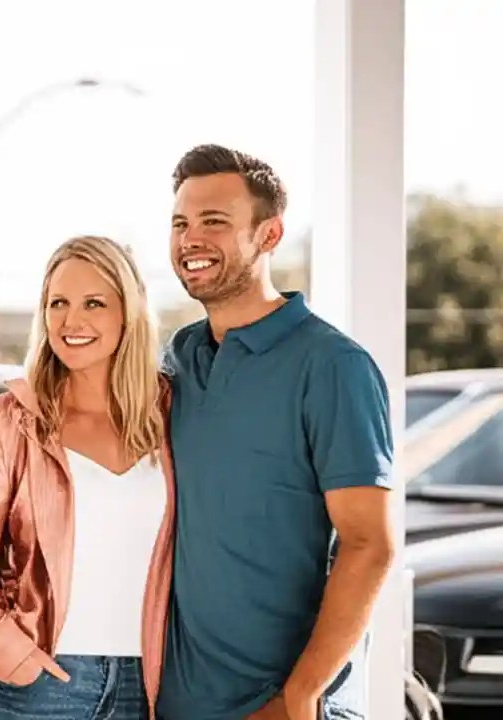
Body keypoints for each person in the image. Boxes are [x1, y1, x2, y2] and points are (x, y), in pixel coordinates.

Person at [157, 144, 396, 720]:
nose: (191, 239)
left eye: (215, 222)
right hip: (179, 704)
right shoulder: (181, 358)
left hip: (284, 706)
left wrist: (299, 698)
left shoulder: (333, 365)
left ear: (269, 234)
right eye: (181, 223)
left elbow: (369, 544)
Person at [0, 235, 178, 720]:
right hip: (36, 687)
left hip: (151, 684)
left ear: (127, 313)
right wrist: (13, 655)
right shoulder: (9, 420)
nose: (72, 321)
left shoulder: (173, 416)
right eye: (58, 304)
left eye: (94, 303)